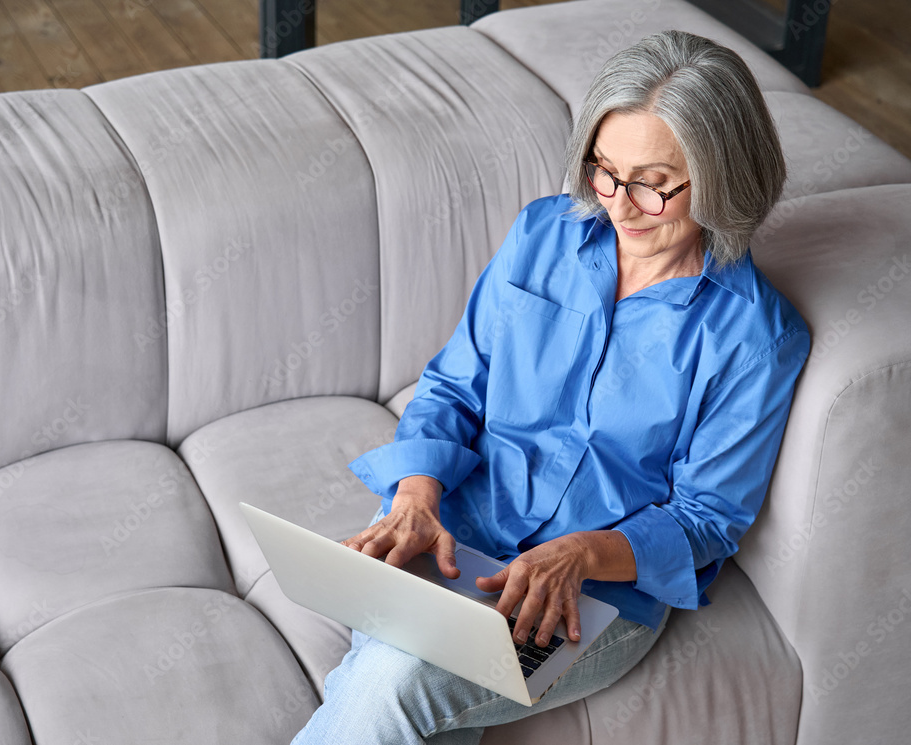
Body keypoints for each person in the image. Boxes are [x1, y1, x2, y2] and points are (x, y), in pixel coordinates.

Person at [291, 29, 810, 745]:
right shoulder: (542, 235)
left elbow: (707, 517)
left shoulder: (755, 335)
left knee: (391, 678)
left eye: (653, 185)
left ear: (724, 178)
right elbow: (452, 387)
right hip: (459, 536)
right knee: (400, 687)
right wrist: (415, 492)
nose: (620, 206)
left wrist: (581, 552)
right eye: (604, 171)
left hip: (594, 595)